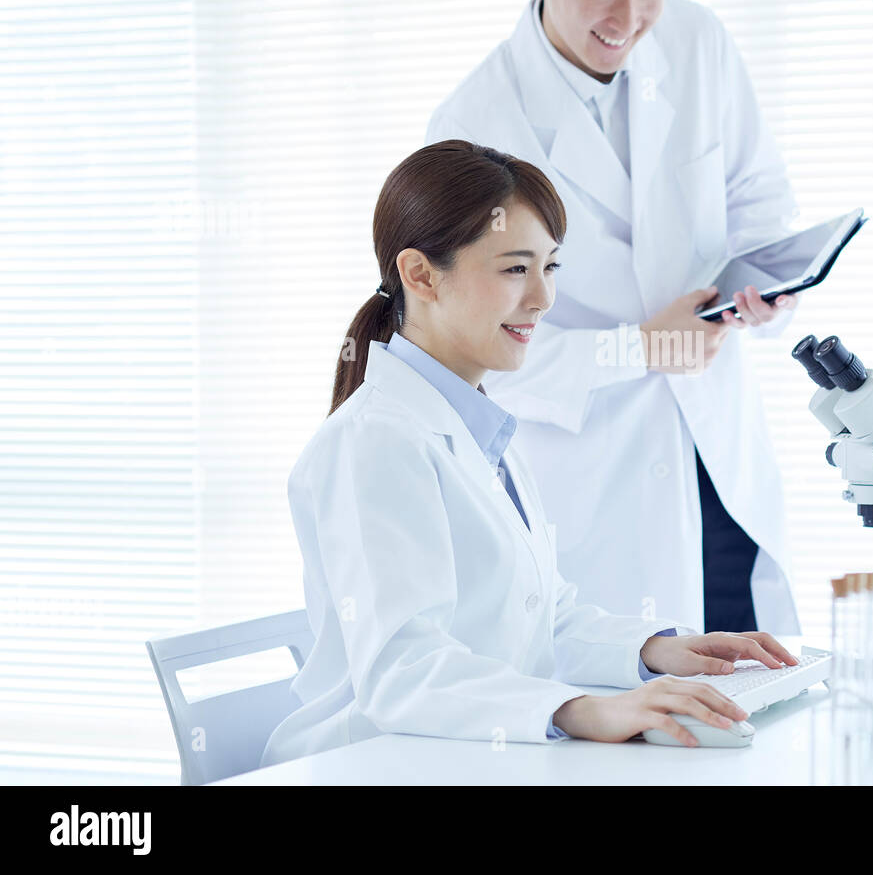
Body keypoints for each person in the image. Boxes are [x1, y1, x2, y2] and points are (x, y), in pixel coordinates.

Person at [259, 141, 798, 766]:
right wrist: (580, 709)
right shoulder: (373, 443)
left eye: (550, 268)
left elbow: (543, 616)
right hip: (367, 763)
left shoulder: (480, 424)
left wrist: (655, 650)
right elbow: (403, 671)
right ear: (421, 274)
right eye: (516, 269)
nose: (543, 299)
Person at [424, 0, 803, 636]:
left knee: (749, 691)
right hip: (595, 485)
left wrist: (765, 277)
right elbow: (468, 359)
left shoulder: (697, 43)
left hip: (719, 454)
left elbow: (758, 195)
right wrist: (638, 347)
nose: (630, 20)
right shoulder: (472, 128)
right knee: (632, 707)